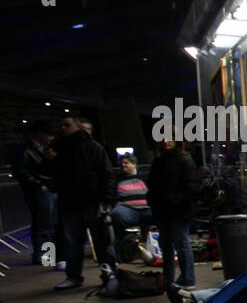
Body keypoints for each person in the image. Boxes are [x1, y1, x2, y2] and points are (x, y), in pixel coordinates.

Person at [49, 115, 115, 290]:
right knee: (77, 243)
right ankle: (96, 274)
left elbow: (106, 174)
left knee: (97, 242)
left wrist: (105, 199)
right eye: (61, 125)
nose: (63, 128)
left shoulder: (89, 148)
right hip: (73, 202)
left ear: (76, 126)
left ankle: (106, 274)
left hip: (88, 202)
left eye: (67, 125)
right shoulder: (60, 148)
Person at [146, 140, 199, 288]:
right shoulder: (160, 161)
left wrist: (173, 199)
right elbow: (152, 185)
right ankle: (171, 279)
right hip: (165, 209)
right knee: (168, 244)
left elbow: (191, 188)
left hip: (178, 210)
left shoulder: (183, 161)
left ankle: (186, 279)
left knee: (180, 244)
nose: (165, 141)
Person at [13, 122, 59, 268]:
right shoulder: (26, 150)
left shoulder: (44, 149)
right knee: (44, 224)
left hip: (48, 189)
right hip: (39, 190)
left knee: (48, 223)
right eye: (49, 134)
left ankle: (48, 256)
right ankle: (45, 257)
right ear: (40, 133)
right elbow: (21, 172)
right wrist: (39, 184)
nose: (51, 137)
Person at [110, 154, 153, 243]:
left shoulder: (145, 177)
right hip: (127, 208)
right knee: (117, 213)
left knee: (161, 212)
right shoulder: (117, 179)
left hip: (146, 208)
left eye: (126, 163)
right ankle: (125, 242)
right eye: (121, 163)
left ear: (134, 165)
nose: (123, 165)